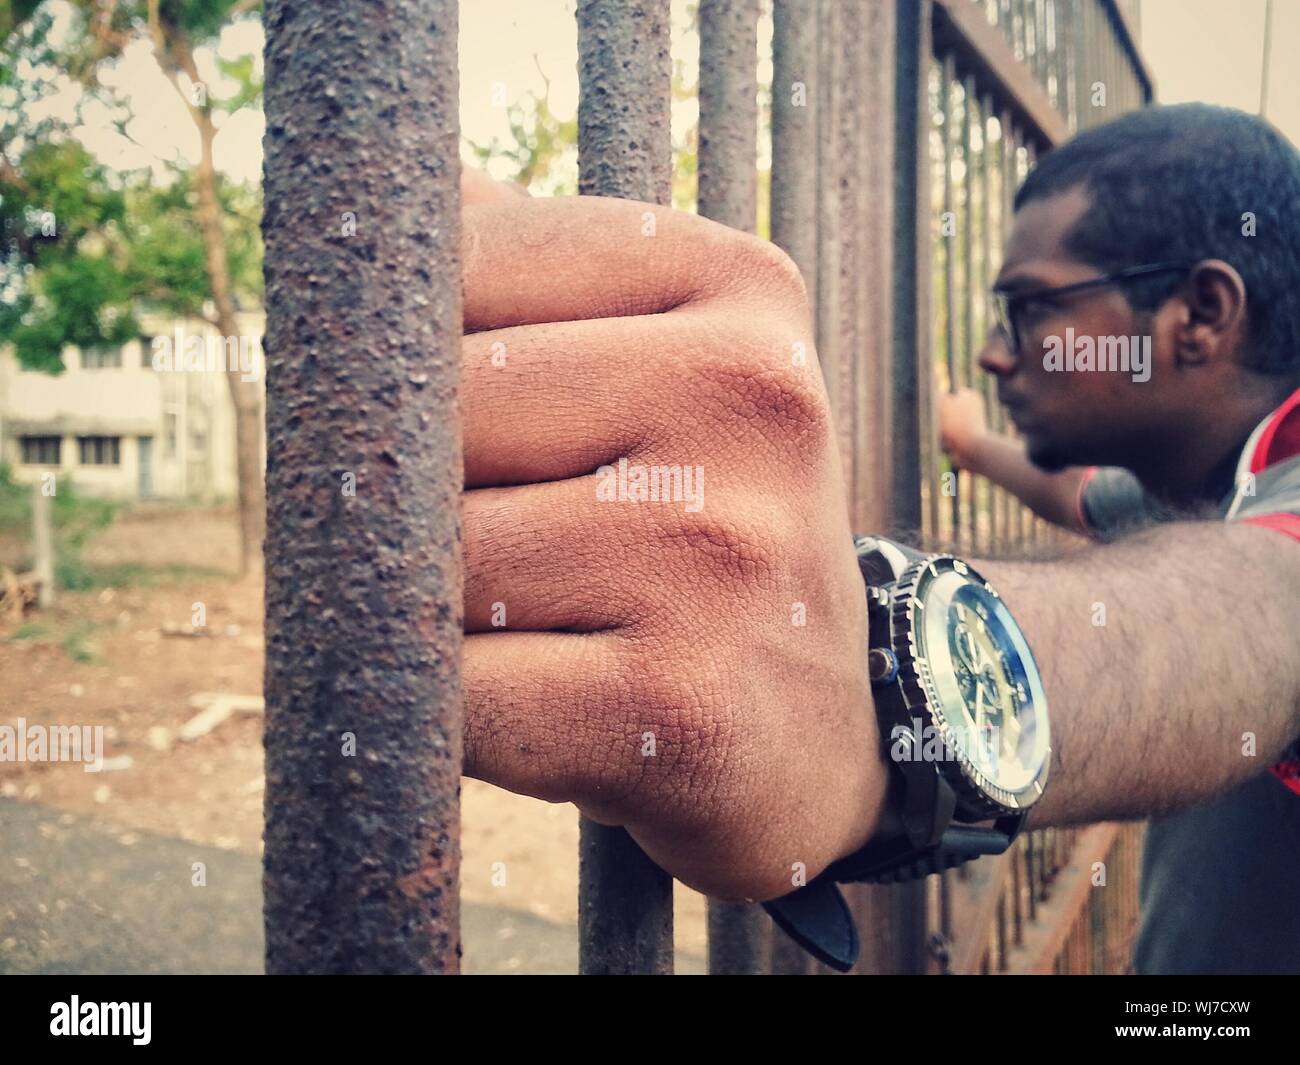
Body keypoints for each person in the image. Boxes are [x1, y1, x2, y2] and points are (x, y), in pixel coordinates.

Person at [458, 101, 1300, 973]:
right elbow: (1087, 496)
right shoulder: (1212, 482)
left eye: (1027, 309)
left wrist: (869, 687)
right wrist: (974, 445)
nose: (994, 356)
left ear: (1199, 313)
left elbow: (1261, 608)